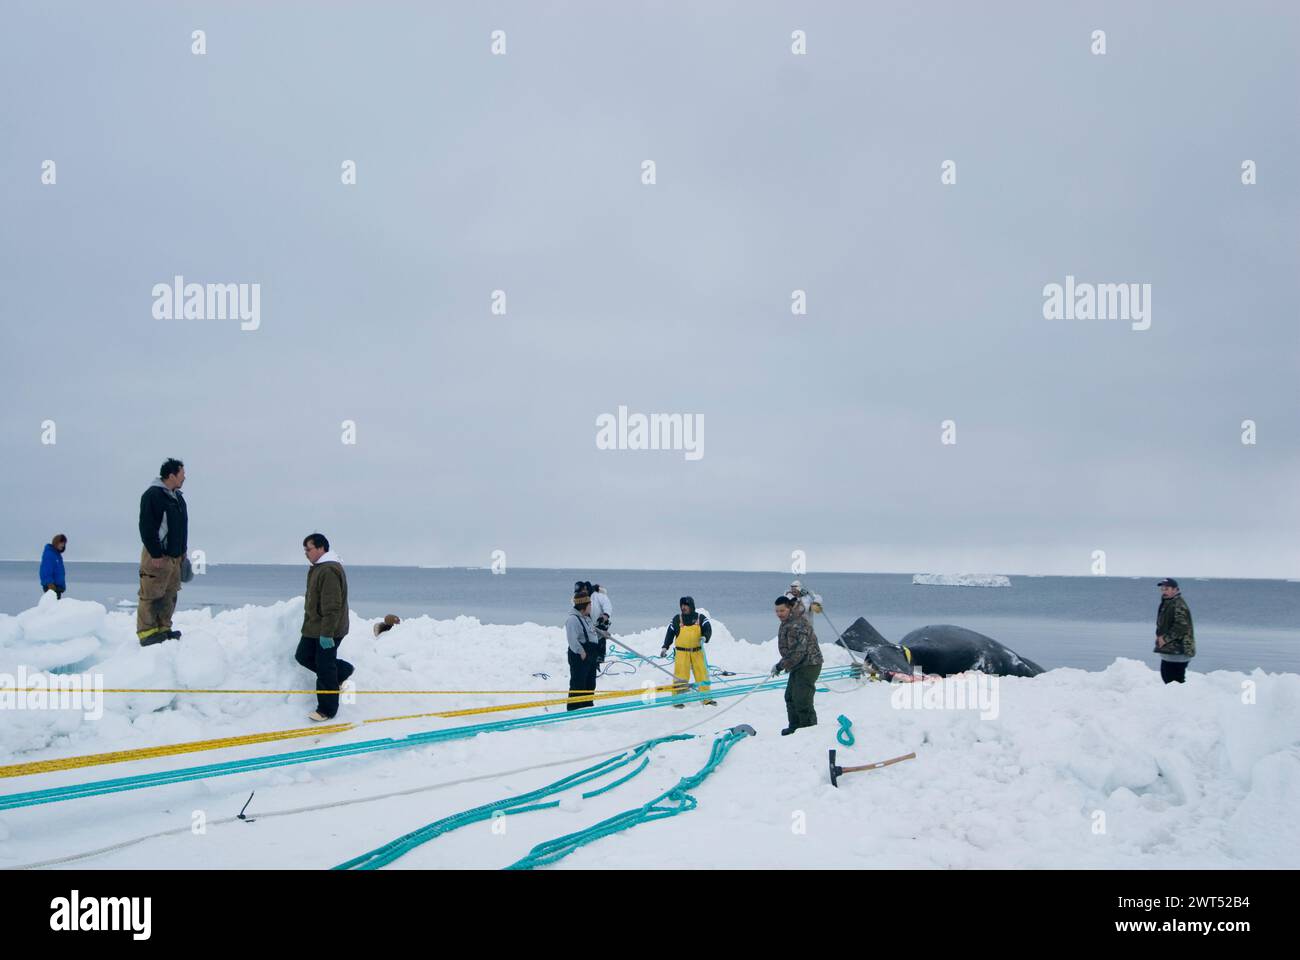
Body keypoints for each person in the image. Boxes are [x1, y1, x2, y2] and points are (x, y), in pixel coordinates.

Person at [296, 533, 354, 721]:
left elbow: (332, 605)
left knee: (324, 666)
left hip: (329, 628)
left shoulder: (328, 569)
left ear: (321, 548)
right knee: (303, 656)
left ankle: (327, 710)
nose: (306, 553)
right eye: (305, 550)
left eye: (309, 549)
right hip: (315, 626)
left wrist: (327, 633)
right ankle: (343, 671)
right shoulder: (318, 568)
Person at [137, 459, 189, 646]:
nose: (185, 477)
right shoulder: (153, 496)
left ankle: (164, 628)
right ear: (171, 475)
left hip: (174, 556)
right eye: (182, 473)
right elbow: (146, 527)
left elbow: (182, 528)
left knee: (169, 593)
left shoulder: (178, 498)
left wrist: (183, 552)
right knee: (151, 593)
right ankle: (147, 633)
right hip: (157, 556)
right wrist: (156, 553)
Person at [771, 595, 824, 735]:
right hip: (797, 665)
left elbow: (798, 652)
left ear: (789, 608)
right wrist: (785, 664)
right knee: (790, 696)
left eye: (781, 611)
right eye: (777, 611)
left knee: (802, 699)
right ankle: (794, 726)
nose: (779, 614)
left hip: (809, 664)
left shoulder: (798, 624)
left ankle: (809, 731)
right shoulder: (787, 621)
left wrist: (780, 665)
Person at [660, 596, 716, 706]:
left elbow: (708, 629)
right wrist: (665, 647)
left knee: (702, 674)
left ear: (691, 606)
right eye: (682, 605)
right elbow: (670, 634)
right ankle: (678, 700)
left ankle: (707, 699)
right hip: (682, 653)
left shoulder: (700, 618)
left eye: (686, 605)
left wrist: (705, 637)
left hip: (697, 652)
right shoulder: (677, 619)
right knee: (680, 676)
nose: (684, 607)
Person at [565, 588, 604, 711]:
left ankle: (587, 706)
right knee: (578, 684)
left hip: (591, 656)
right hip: (580, 656)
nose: (591, 607)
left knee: (590, 683)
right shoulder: (572, 619)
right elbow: (572, 639)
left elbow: (591, 632)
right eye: (590, 605)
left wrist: (602, 633)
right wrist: (581, 652)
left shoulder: (586, 618)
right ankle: (574, 708)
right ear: (583, 606)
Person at [1153, 578, 1195, 684]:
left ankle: (1181, 700)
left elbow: (1182, 626)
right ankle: (1175, 699)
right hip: (1171, 651)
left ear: (1175, 589)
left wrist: (1165, 639)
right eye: (1162, 589)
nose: (1164, 591)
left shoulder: (1178, 604)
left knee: (1174, 681)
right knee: (1169, 679)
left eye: (1167, 589)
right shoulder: (1169, 603)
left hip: (1179, 650)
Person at [39, 534, 67, 599]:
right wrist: (50, 584)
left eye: (64, 543)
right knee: (52, 607)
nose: (63, 545)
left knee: (56, 608)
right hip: (51, 587)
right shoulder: (49, 554)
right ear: (56, 542)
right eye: (61, 543)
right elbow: (45, 570)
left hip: (57, 588)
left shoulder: (57, 555)